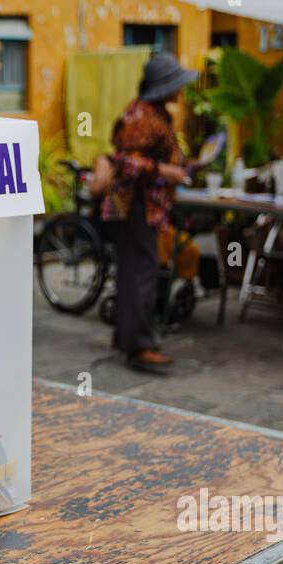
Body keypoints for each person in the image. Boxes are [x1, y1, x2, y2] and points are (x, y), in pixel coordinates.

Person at [89, 53, 196, 372]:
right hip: (132, 205)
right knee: (141, 273)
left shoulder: (154, 112)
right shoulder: (141, 116)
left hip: (142, 206)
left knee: (133, 272)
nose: (181, 91)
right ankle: (139, 346)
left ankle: (130, 338)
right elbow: (124, 160)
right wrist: (163, 168)